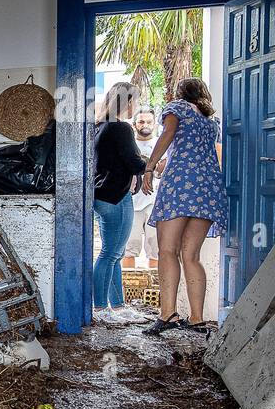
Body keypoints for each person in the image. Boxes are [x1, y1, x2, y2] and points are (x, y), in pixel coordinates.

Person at [142, 78, 226, 335]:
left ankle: (167, 314)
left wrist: (149, 166)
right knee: (191, 256)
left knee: (167, 250)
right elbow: (204, 151)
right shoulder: (211, 122)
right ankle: (197, 319)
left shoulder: (176, 109)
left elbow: (168, 135)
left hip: (180, 185)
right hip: (208, 188)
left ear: (181, 94)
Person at [91, 82, 150, 323]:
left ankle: (116, 306)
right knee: (110, 253)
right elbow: (134, 162)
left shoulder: (101, 126)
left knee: (114, 253)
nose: (135, 107)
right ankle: (101, 309)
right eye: (134, 101)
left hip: (102, 195)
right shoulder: (121, 128)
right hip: (115, 196)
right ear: (126, 102)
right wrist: (152, 164)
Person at [122, 108, 162, 271]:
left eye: (149, 121)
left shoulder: (161, 144)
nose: (145, 125)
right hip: (132, 202)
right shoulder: (129, 145)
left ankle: (156, 290)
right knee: (129, 249)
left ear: (154, 124)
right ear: (134, 124)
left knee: (156, 250)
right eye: (141, 121)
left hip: (156, 203)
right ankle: (130, 291)